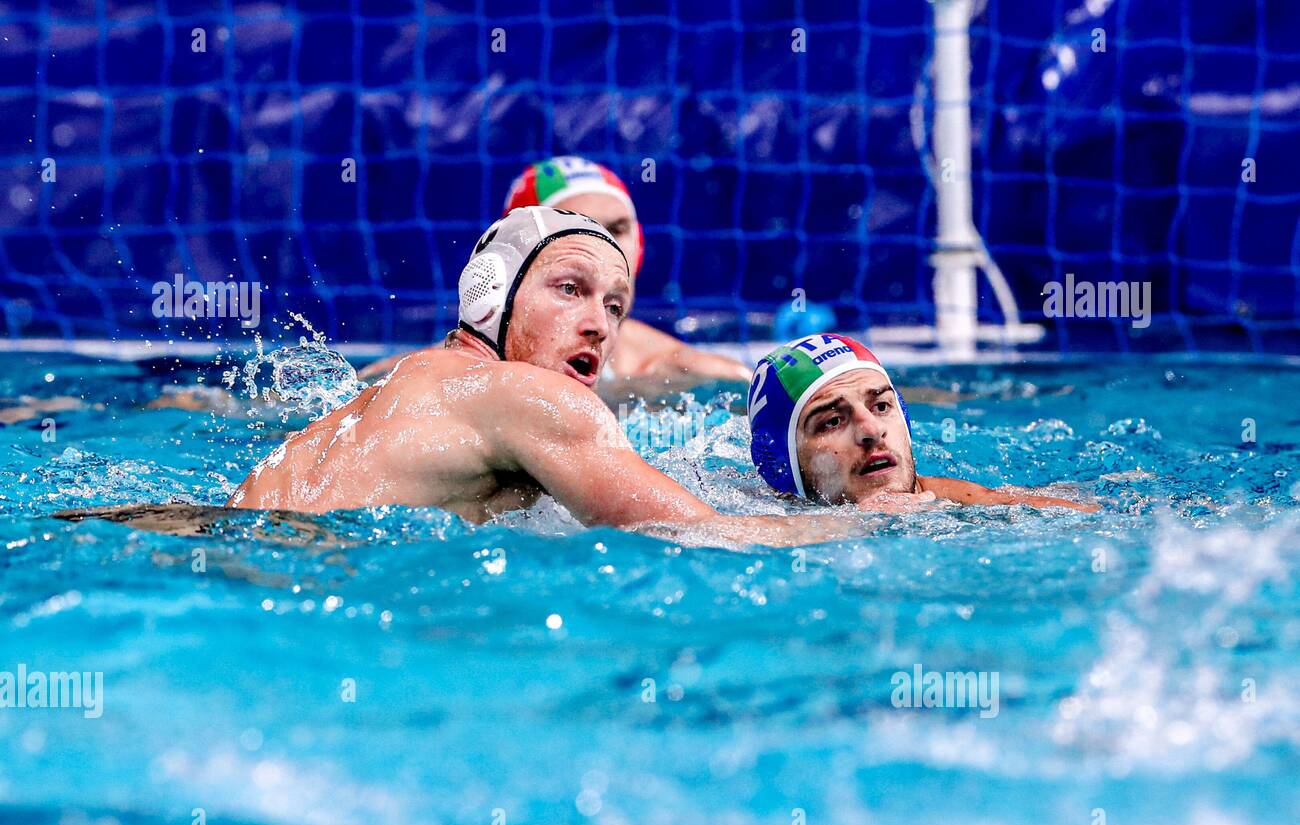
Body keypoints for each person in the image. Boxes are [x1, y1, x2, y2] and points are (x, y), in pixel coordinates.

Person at [228, 207, 876, 547]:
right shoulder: (525, 396)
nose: (600, 324)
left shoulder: (398, 391)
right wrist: (876, 522)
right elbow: (700, 536)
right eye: (570, 289)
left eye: (615, 305)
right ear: (491, 300)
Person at [358, 156, 751, 390]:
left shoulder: (693, 377)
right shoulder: (420, 382)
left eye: (616, 229)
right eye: (583, 229)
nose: (603, 248)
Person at [747, 333, 1098, 512]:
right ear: (779, 466)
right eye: (833, 420)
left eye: (882, 406)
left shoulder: (973, 506)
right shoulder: (755, 517)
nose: (871, 431)